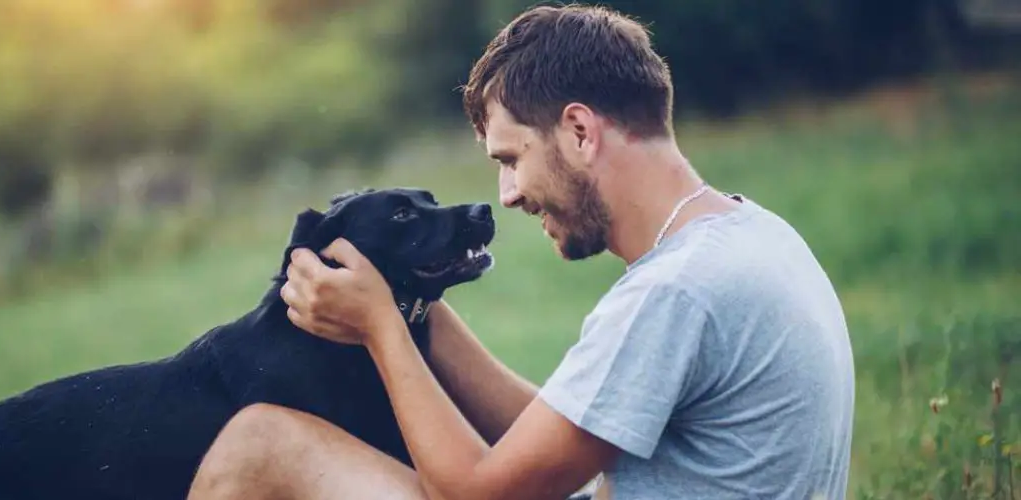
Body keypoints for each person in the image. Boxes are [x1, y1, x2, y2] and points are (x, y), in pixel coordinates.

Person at [186, 4, 855, 500]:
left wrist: (381, 328)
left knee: (261, 444)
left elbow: (479, 491)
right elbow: (563, 433)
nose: (506, 195)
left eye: (511, 159)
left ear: (579, 131)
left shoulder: (673, 294)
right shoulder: (751, 236)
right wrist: (412, 300)